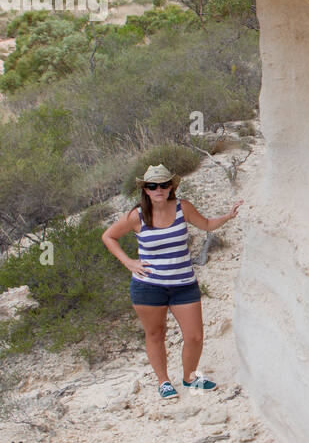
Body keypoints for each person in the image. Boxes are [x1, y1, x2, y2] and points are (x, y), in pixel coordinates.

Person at [101, 164, 244, 398]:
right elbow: (109, 236)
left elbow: (206, 224)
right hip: (148, 286)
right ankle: (163, 381)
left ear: (171, 187)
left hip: (183, 284)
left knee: (195, 335)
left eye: (164, 184)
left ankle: (189, 378)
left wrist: (228, 216)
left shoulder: (183, 208)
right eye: (152, 186)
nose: (159, 189)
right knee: (156, 334)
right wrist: (128, 262)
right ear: (145, 190)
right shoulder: (137, 215)